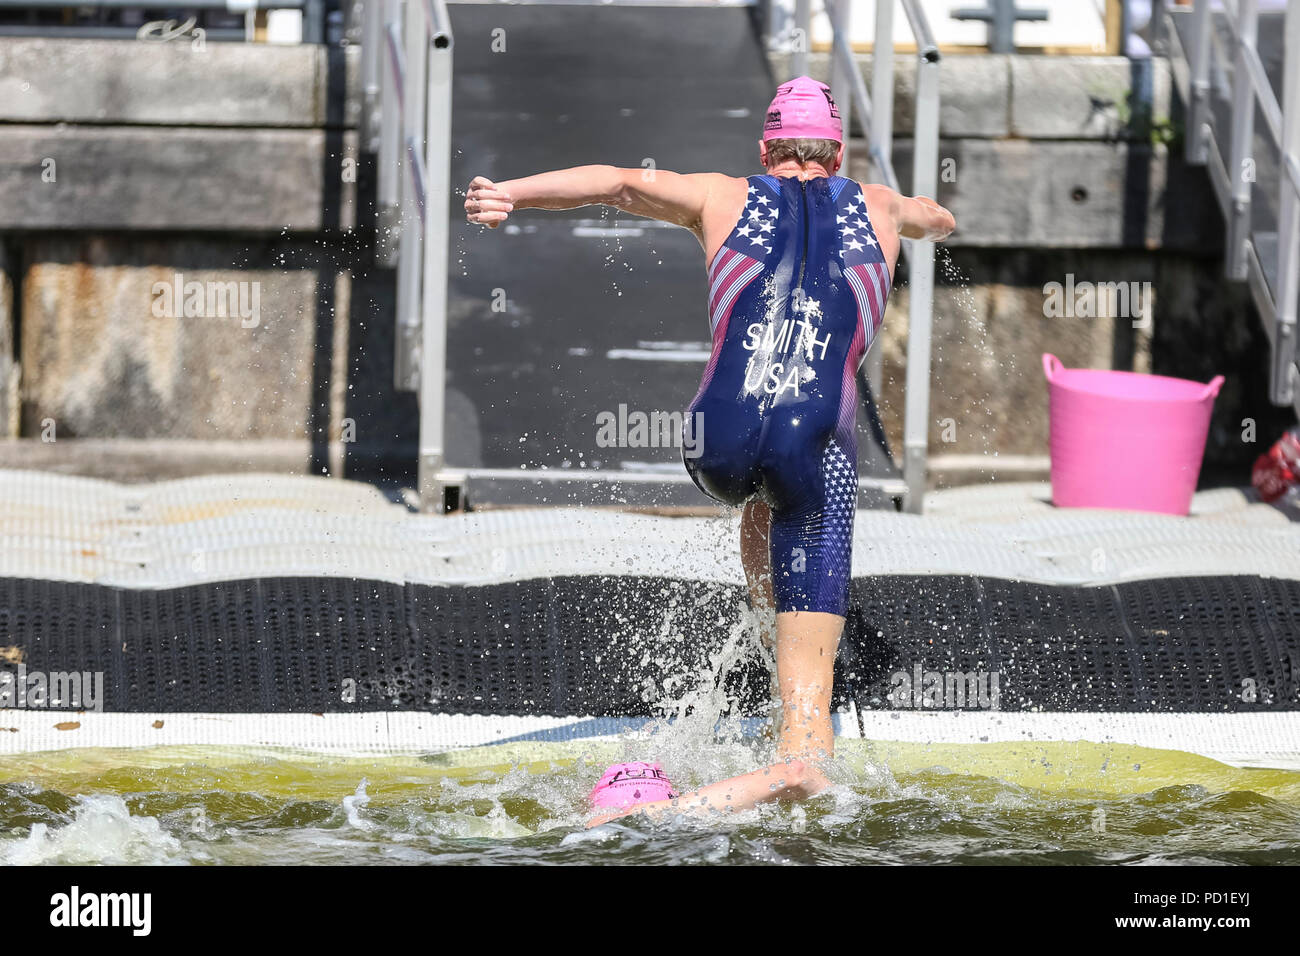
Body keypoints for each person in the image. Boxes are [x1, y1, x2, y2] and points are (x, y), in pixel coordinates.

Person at [465, 76, 956, 826]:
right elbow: (939, 218)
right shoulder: (882, 204)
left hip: (711, 442)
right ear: (838, 155)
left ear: (765, 151)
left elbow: (617, 182)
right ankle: (773, 758)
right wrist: (930, 223)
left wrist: (511, 193)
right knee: (807, 753)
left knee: (763, 498)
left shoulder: (718, 195)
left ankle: (767, 638)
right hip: (811, 444)